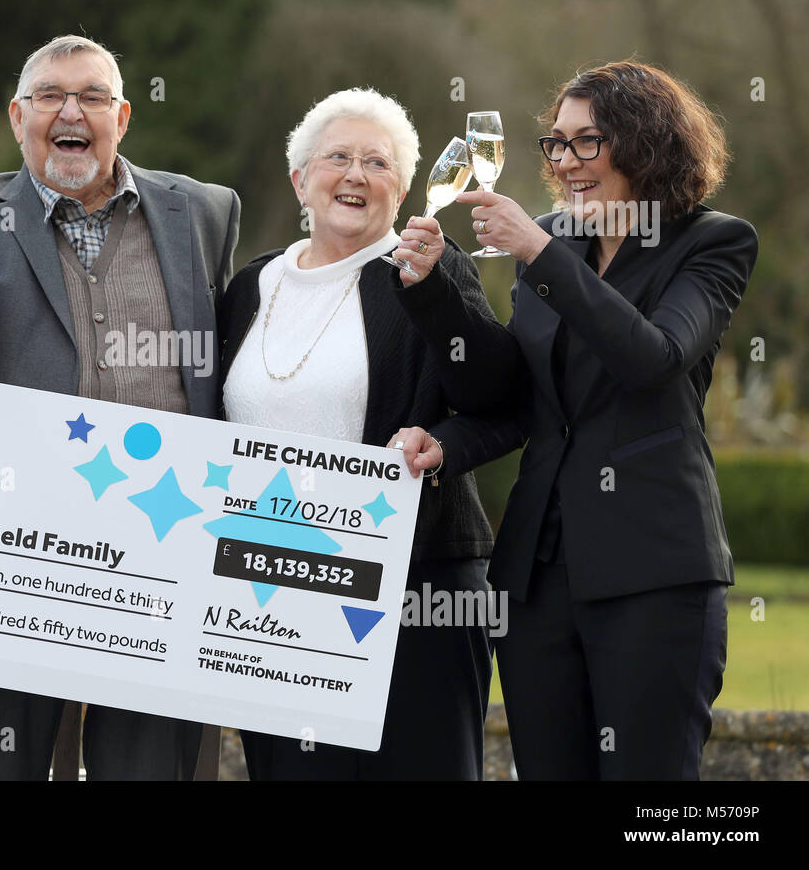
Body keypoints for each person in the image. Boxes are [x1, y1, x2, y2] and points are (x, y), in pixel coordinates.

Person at [0, 34, 240, 780]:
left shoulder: (203, 211)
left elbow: (231, 369)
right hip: (9, 556)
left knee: (149, 770)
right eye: (50, 96)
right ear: (16, 117)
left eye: (92, 97)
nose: (71, 112)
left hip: (160, 555)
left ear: (123, 117)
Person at [395, 60, 758, 779]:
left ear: (645, 144)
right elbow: (522, 396)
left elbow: (653, 356)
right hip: (534, 581)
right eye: (555, 144)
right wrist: (435, 296)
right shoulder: (557, 240)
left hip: (656, 574)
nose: (563, 162)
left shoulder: (710, 242)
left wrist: (537, 250)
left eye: (585, 142)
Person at [219, 88, 513, 780]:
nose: (355, 175)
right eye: (338, 158)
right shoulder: (250, 285)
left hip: (414, 591)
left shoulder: (428, 272)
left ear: (406, 186)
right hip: (269, 591)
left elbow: (497, 397)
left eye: (377, 163)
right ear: (300, 180)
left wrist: (434, 289)